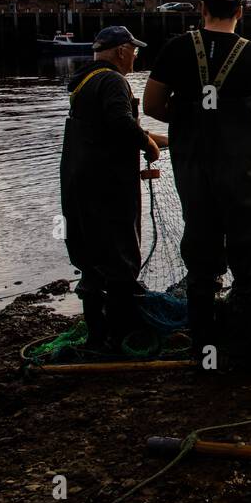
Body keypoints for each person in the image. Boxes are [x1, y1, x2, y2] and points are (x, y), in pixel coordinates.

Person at [142, 0, 251, 358]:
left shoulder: (176, 48)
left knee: (202, 253)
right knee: (250, 255)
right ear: (241, 11)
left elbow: (152, 106)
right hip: (242, 171)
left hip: (193, 167)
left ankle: (204, 347)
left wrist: (193, 115)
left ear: (202, 9)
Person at [60, 25, 167, 349]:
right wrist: (149, 148)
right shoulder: (113, 81)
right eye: (133, 50)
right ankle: (122, 334)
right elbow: (122, 124)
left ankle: (97, 333)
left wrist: (163, 139)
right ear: (121, 50)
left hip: (79, 183)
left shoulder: (84, 82)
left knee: (92, 258)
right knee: (119, 256)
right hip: (108, 186)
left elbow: (112, 126)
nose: (135, 55)